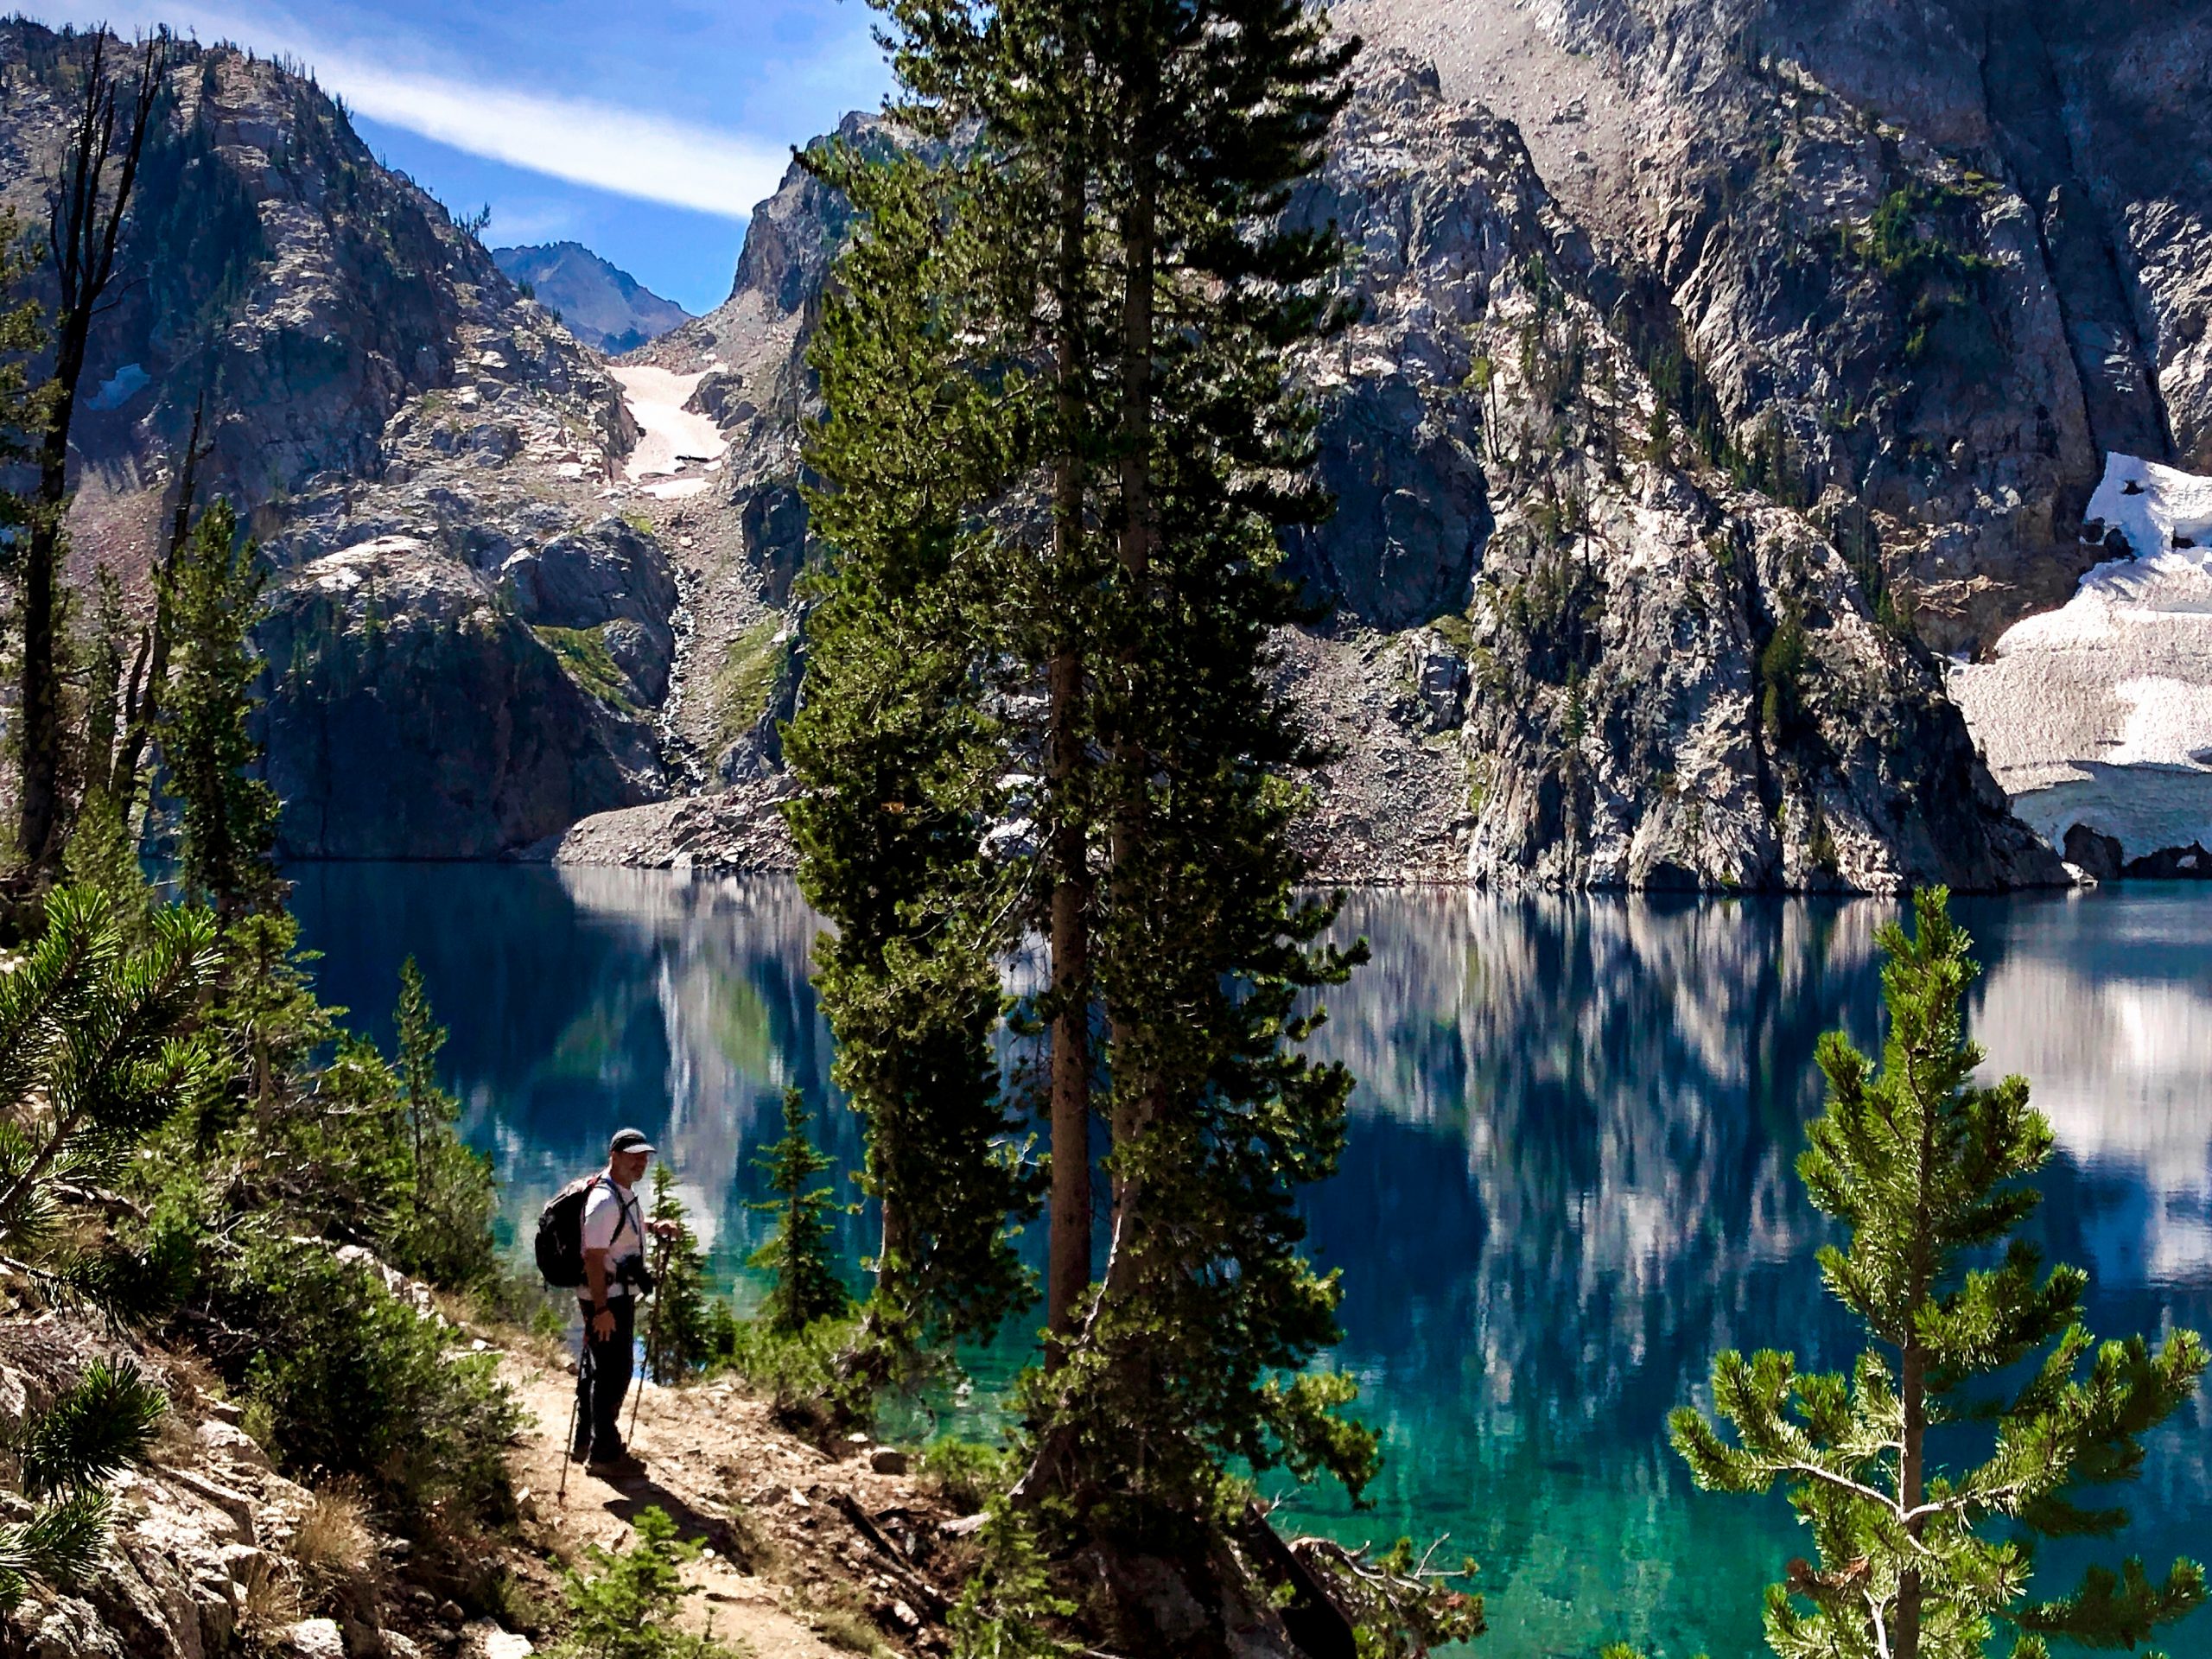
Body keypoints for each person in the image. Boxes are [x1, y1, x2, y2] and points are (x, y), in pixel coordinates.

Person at [574, 1127, 679, 1470]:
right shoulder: (605, 1201)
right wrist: (601, 1309)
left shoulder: (620, 1194)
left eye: (644, 1157)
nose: (641, 1163)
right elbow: (593, 1256)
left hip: (614, 1296)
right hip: (606, 1298)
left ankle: (588, 1440)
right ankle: (603, 1453)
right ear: (614, 1156)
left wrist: (652, 1227)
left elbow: (618, 1230)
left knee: (603, 1368)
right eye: (633, 1156)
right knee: (615, 1372)